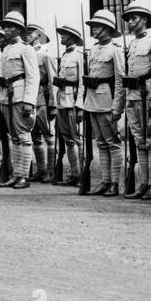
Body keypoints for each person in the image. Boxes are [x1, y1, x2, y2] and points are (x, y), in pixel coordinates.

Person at [119, 4, 151, 200]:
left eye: (134, 18)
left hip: (148, 98)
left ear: (144, 20)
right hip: (133, 97)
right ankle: (143, 184)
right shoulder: (131, 45)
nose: (130, 22)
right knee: (140, 142)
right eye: (128, 19)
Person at [82, 9, 126, 196]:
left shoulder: (115, 50)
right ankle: (105, 181)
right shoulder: (94, 49)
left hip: (107, 100)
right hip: (92, 100)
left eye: (97, 26)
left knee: (113, 143)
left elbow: (120, 79)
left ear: (108, 28)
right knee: (100, 143)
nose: (93, 29)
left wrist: (117, 105)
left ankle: (115, 182)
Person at [0, 12, 41, 190]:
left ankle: (24, 176)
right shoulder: (6, 50)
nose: (5, 29)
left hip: (21, 96)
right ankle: (16, 175)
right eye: (5, 26)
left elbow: (33, 76)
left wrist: (29, 101)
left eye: (9, 27)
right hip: (7, 95)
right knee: (13, 137)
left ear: (18, 29)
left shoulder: (26, 49)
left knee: (23, 135)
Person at [53, 25, 85, 186]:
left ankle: (81, 175)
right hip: (62, 99)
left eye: (64, 35)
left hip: (72, 100)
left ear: (71, 38)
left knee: (76, 138)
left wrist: (80, 106)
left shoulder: (78, 56)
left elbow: (82, 83)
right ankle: (74, 174)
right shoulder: (65, 55)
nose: (61, 37)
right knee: (68, 139)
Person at [28, 23, 58, 182]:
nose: (26, 35)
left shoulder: (45, 55)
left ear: (39, 35)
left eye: (30, 32)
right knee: (35, 136)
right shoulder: (27, 52)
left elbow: (53, 80)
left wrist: (53, 104)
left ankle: (51, 171)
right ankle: (40, 170)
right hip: (30, 99)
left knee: (49, 135)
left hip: (43, 98)